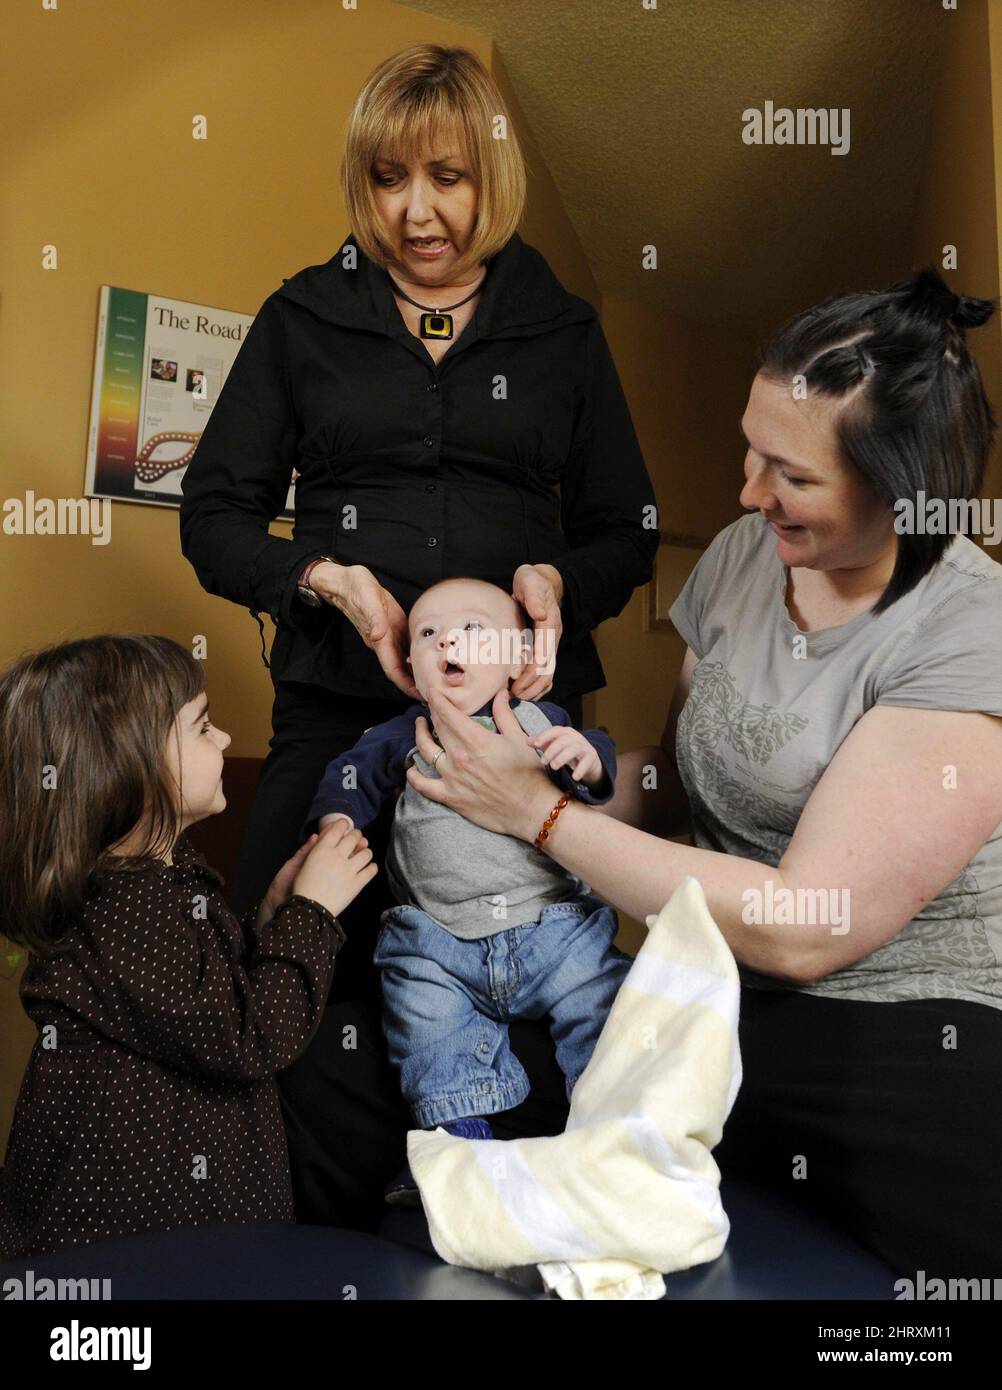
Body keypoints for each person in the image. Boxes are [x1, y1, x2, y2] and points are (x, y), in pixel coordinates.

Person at [398, 267, 1002, 1280]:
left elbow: (804, 925)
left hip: (902, 1016)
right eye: (750, 450)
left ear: (900, 494)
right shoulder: (739, 556)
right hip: (717, 982)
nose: (747, 491)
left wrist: (541, 817)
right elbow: (670, 784)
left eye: (790, 475)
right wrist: (546, 774)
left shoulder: (970, 626)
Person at [178, 43, 658, 1227]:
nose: (418, 212)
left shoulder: (563, 332)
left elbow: (627, 528)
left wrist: (558, 578)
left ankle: (537, 1217)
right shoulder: (304, 318)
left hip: (517, 732)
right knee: (297, 968)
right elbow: (214, 516)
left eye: (447, 176)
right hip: (338, 713)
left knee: (549, 968)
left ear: (489, 174)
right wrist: (326, 580)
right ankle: (320, 1232)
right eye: (389, 178)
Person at [0, 635, 374, 1259]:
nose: (226, 739)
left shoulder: (153, 884)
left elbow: (194, 1001)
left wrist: (271, 916)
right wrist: (311, 914)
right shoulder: (128, 905)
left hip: (169, 1228)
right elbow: (250, 1037)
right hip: (139, 1241)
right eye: (202, 727)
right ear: (125, 766)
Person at [302, 576, 631, 1202]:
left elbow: (597, 761)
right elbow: (349, 774)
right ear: (411, 669)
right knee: (421, 1018)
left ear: (518, 659)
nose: (447, 638)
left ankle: (616, 1127)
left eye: (474, 630)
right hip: (441, 942)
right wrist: (337, 820)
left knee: (608, 1001)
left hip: (551, 929)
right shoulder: (404, 734)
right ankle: (459, 1135)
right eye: (428, 635)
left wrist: (585, 757)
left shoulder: (541, 722)